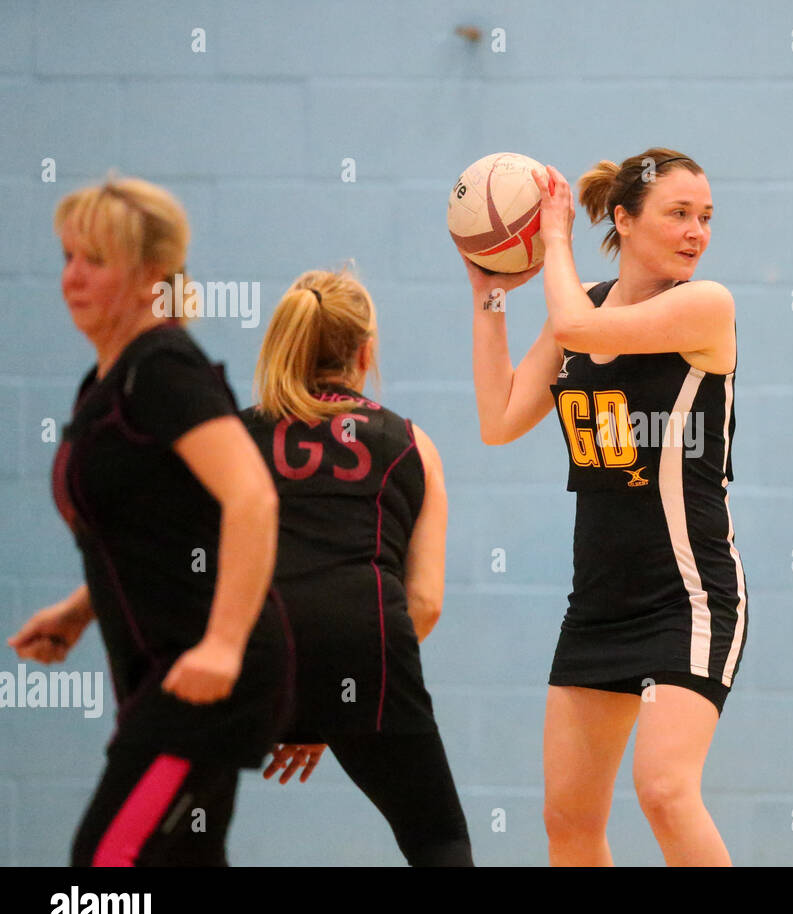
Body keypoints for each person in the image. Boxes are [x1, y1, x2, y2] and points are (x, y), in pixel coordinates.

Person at [459, 148, 746, 865]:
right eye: (678, 213)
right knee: (569, 819)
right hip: (599, 600)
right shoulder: (581, 302)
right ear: (624, 218)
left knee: (665, 791)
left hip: (688, 595)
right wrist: (489, 296)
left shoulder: (706, 306)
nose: (696, 232)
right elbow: (497, 420)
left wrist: (552, 239)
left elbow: (583, 333)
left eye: (705, 217)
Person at [7, 176, 291, 866]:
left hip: (209, 674)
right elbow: (156, 532)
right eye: (67, 257)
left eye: (95, 260)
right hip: (161, 667)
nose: (72, 277)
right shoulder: (105, 382)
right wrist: (80, 612)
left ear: (150, 278)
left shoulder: (163, 369)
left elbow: (252, 498)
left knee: (108, 865)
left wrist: (222, 645)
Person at [240, 267, 472, 866]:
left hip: (255, 646)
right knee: (437, 838)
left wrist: (297, 694)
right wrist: (339, 695)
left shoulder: (233, 438)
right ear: (366, 351)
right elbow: (425, 603)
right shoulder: (412, 443)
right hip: (365, 640)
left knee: (178, 823)